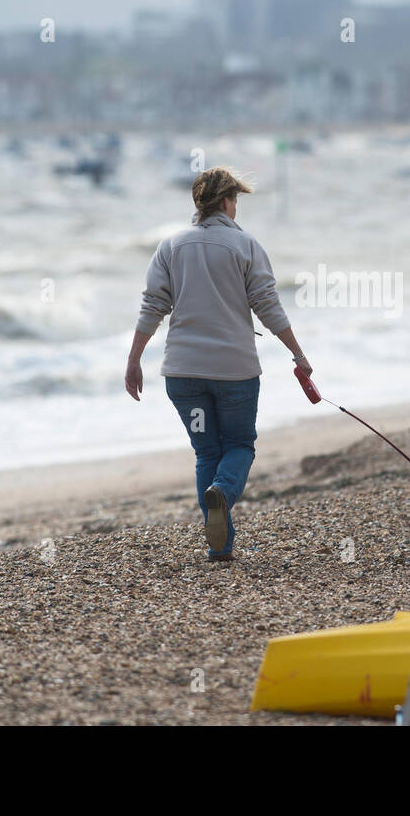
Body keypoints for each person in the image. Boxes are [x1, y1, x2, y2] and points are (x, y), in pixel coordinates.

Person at [125, 167, 309, 561]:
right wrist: (298, 353)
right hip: (234, 374)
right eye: (236, 200)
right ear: (227, 202)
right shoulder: (245, 245)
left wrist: (134, 359)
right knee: (239, 444)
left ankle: (220, 547)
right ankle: (222, 494)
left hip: (183, 375)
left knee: (207, 452)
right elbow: (267, 306)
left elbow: (152, 305)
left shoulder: (170, 246)